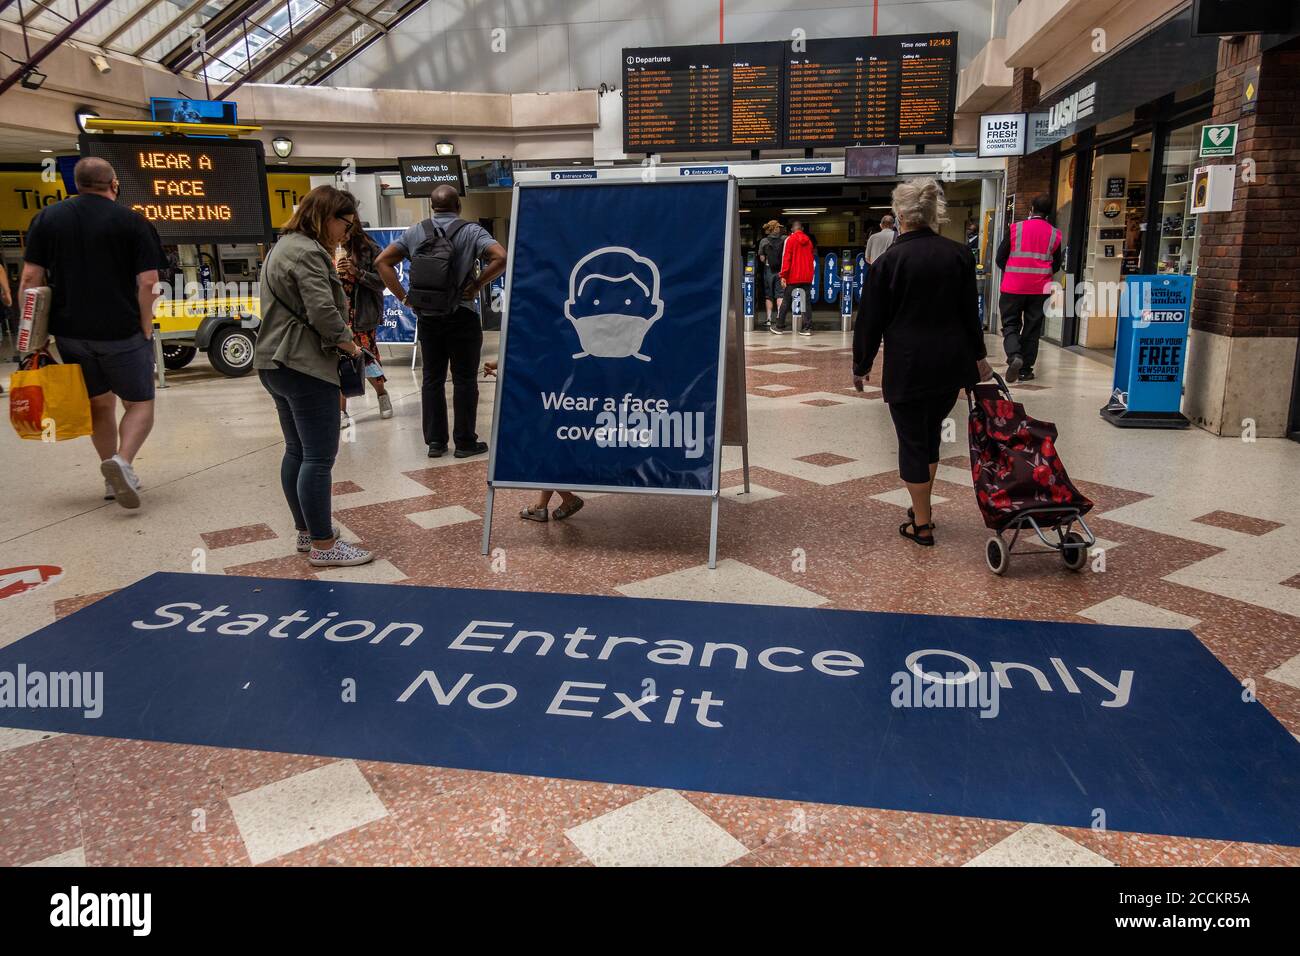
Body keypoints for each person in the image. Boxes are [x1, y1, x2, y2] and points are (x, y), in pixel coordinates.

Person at [853, 178, 993, 547]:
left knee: (912, 441)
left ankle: (923, 525)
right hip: (949, 367)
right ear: (935, 214)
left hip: (908, 367)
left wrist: (861, 364)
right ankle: (922, 509)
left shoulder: (888, 263)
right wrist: (980, 359)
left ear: (900, 215)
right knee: (930, 437)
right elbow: (969, 315)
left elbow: (871, 320)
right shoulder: (959, 254)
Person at [18, 157, 163, 509]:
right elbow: (148, 282)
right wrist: (145, 324)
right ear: (113, 184)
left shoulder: (47, 219)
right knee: (140, 402)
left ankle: (111, 476)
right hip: (122, 330)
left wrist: (31, 335)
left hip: (70, 333)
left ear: (76, 184)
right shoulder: (133, 222)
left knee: (100, 404)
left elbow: (29, 280)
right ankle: (123, 463)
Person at [254, 185, 373, 569]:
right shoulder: (308, 252)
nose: (346, 234)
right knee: (320, 458)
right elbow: (323, 311)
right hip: (303, 365)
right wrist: (351, 347)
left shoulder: (281, 247)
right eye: (345, 224)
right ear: (326, 216)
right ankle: (325, 546)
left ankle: (306, 531)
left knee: (297, 451)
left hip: (273, 363)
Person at [375, 185, 506, 459]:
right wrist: (478, 283)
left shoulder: (415, 232)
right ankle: (465, 442)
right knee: (465, 379)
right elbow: (501, 257)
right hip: (463, 315)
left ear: (432, 207)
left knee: (432, 379)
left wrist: (405, 298)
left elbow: (382, 261)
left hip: (428, 317)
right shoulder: (471, 231)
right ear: (458, 206)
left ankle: (435, 443)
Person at [482, 361, 584, 521]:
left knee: (543, 449)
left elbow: (528, 350)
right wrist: (499, 364)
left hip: (548, 394)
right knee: (548, 448)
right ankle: (543, 506)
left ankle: (564, 500)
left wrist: (500, 363)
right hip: (562, 391)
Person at [995, 193, 1062, 383]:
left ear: (1031, 209)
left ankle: (1014, 355)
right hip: (1040, 289)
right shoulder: (1055, 234)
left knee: (1010, 324)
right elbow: (1056, 264)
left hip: (1013, 287)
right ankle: (1025, 370)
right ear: (1049, 212)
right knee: (1032, 329)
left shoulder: (1016, 228)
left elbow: (1000, 257)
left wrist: (1011, 272)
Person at [336, 210, 393, 425]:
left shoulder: (369, 249)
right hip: (336, 315)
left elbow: (382, 282)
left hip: (361, 314)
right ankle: (341, 410)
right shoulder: (322, 247)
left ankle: (381, 394)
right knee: (339, 361)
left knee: (367, 358)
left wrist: (357, 272)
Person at [777, 219, 815, 337]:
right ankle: (807, 328)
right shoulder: (809, 241)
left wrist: (783, 275)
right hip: (807, 276)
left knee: (786, 300)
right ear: (802, 229)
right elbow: (811, 259)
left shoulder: (790, 239)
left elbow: (786, 258)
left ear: (792, 229)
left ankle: (779, 326)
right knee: (806, 302)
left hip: (794, 276)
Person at [756, 221, 786, 333]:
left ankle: (768, 319)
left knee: (769, 295)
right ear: (776, 228)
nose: (780, 229)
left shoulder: (764, 241)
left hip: (769, 270)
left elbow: (762, 258)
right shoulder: (784, 239)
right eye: (779, 227)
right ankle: (779, 317)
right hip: (781, 270)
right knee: (780, 294)